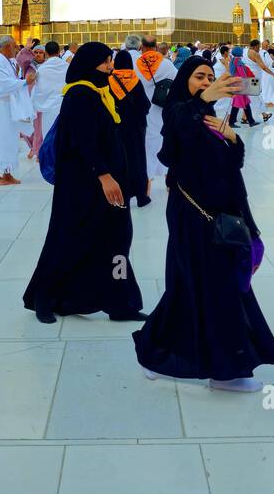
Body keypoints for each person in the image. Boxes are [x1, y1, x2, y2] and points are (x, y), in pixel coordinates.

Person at [133, 56, 274, 392]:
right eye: (199, 77)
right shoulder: (178, 112)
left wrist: (233, 138)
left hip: (220, 212)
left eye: (211, 77)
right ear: (185, 79)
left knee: (204, 286)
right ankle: (221, 369)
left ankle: (187, 354)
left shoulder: (211, 116)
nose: (205, 82)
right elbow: (177, 139)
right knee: (204, 283)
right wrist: (204, 99)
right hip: (193, 213)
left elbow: (232, 164)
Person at [23, 42, 145, 324]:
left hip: (111, 183)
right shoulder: (79, 94)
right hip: (82, 185)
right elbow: (82, 141)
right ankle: (44, 297)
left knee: (117, 242)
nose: (110, 68)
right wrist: (103, 175)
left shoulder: (102, 92)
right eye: (105, 63)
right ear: (90, 65)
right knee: (67, 240)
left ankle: (121, 301)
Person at [0, 35, 34, 186]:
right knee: (1, 139)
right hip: (1, 106)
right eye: (14, 46)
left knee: (11, 140)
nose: (16, 49)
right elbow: (4, 84)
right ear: (8, 46)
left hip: (9, 105)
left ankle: (7, 172)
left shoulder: (6, 61)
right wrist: (24, 82)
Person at [136, 34, 178, 193]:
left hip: (143, 112)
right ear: (155, 46)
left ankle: (146, 187)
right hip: (163, 110)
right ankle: (169, 184)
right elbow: (178, 82)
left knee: (146, 147)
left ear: (142, 47)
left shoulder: (135, 64)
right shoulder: (166, 64)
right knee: (165, 142)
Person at [109, 49, 151, 207]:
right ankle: (142, 196)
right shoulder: (135, 79)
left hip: (117, 127)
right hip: (136, 128)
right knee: (138, 159)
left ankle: (122, 197)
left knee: (119, 161)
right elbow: (145, 105)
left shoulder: (109, 80)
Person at [31, 40, 69, 146]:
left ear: (46, 53)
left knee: (49, 139)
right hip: (64, 106)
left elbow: (39, 91)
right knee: (64, 140)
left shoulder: (42, 70)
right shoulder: (67, 67)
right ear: (58, 52)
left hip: (48, 108)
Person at [227, 46, 260, 128]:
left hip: (236, 83)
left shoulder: (233, 60)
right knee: (237, 104)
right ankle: (231, 122)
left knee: (245, 103)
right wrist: (246, 82)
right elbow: (242, 73)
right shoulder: (238, 61)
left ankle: (251, 121)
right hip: (240, 84)